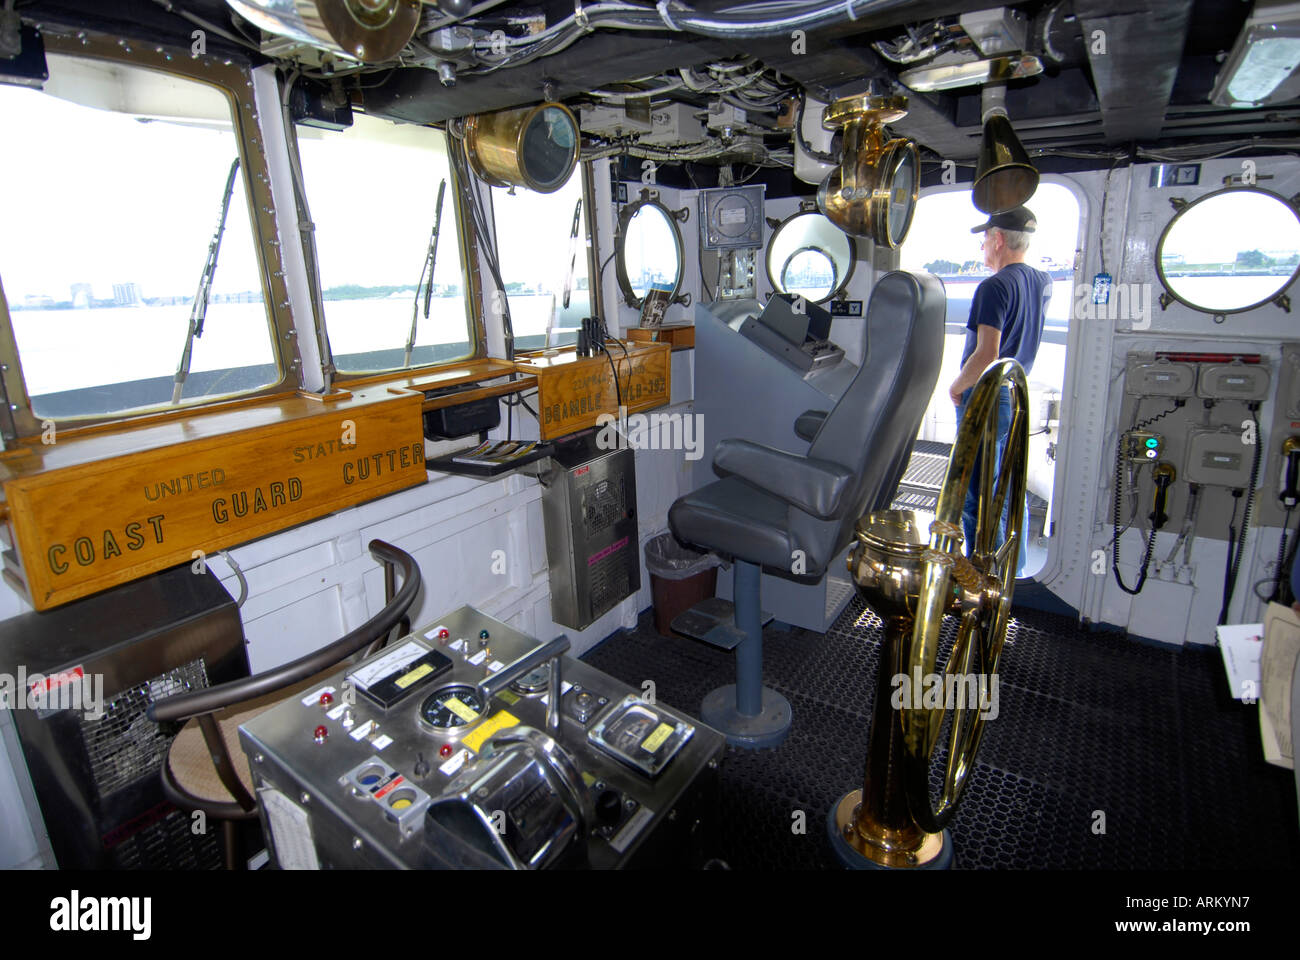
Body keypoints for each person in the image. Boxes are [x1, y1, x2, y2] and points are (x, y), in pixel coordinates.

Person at [947, 205, 1052, 573]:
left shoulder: (992, 287)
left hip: (987, 398)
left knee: (976, 495)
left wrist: (957, 387)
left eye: (984, 241)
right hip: (1015, 396)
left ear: (998, 239)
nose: (982, 250)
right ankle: (1013, 571)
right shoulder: (1041, 281)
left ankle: (981, 577)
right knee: (1007, 486)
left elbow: (987, 355)